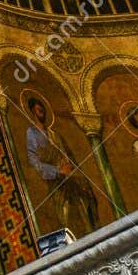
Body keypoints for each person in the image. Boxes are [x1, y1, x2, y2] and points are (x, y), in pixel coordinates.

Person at [23, 95, 98, 238]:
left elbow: (69, 156)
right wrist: (57, 171)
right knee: (66, 214)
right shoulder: (31, 133)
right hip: (56, 182)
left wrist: (75, 172)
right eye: (39, 110)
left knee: (84, 212)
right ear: (32, 112)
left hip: (71, 180)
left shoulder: (54, 135)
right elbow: (34, 162)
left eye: (43, 110)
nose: (42, 113)